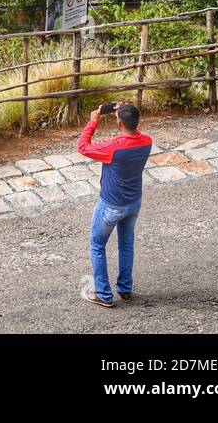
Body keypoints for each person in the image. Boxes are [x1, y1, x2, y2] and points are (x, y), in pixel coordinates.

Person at [77, 102, 153, 308]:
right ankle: (125, 289)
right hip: (133, 202)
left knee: (97, 245)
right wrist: (122, 111)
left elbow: (83, 146)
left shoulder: (114, 148)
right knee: (126, 245)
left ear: (119, 123)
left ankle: (103, 294)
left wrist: (94, 120)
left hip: (111, 205)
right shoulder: (147, 142)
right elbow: (130, 132)